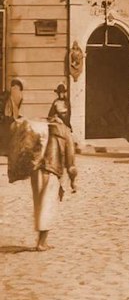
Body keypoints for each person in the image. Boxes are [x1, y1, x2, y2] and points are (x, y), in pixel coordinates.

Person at [31, 96, 77, 251]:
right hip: (52, 170)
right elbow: (70, 162)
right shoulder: (65, 131)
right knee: (47, 205)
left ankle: (40, 240)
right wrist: (73, 181)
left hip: (36, 170)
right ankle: (41, 242)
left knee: (39, 204)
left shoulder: (43, 125)